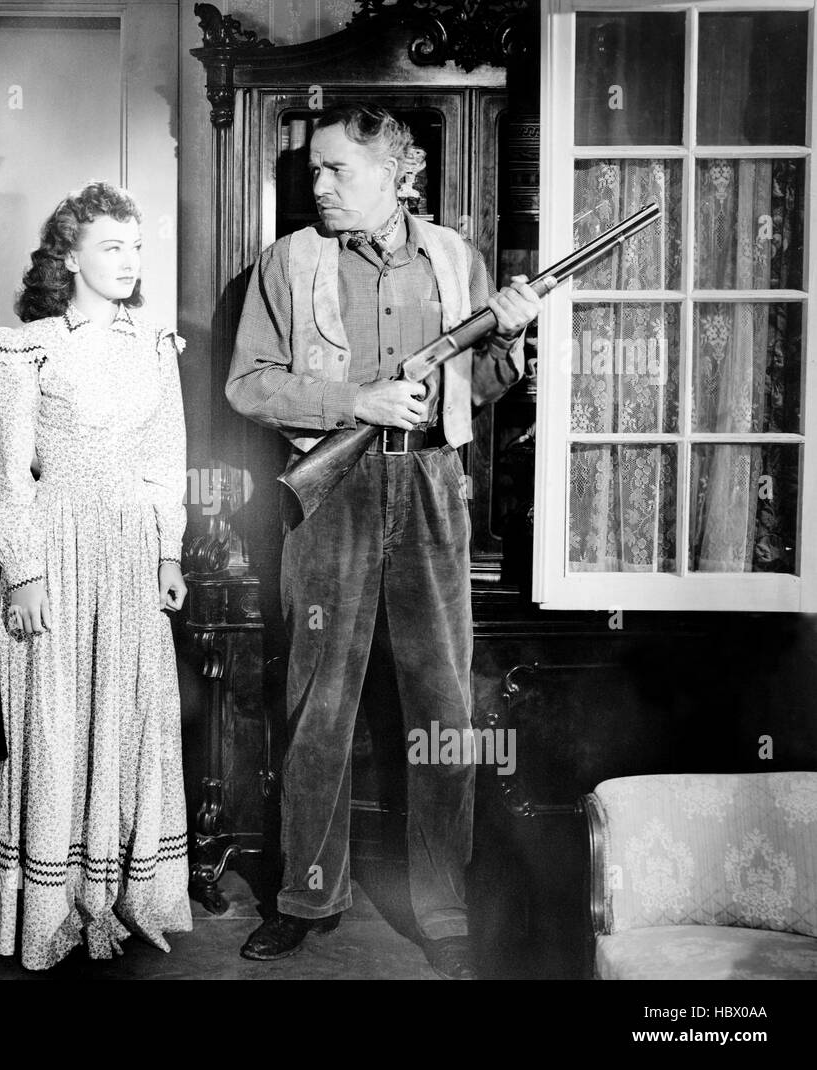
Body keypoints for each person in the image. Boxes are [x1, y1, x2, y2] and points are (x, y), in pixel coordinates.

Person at [226, 104, 546, 979]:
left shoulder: (455, 257)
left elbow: (477, 388)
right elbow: (248, 386)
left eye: (338, 171)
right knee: (318, 704)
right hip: (331, 491)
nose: (319, 186)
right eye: (315, 172)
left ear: (400, 176)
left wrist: (509, 334)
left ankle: (442, 905)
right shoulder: (288, 262)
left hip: (435, 484)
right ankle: (306, 897)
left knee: (445, 708)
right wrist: (352, 406)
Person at [0, 181, 192, 970]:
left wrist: (168, 550)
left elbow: (168, 460)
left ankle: (118, 899)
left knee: (127, 714)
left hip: (130, 553)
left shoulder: (156, 343)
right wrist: (24, 574)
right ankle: (48, 909)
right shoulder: (25, 346)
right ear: (70, 257)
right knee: (53, 718)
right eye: (111, 246)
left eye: (136, 246)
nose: (129, 261)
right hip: (53, 550)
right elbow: (2, 475)